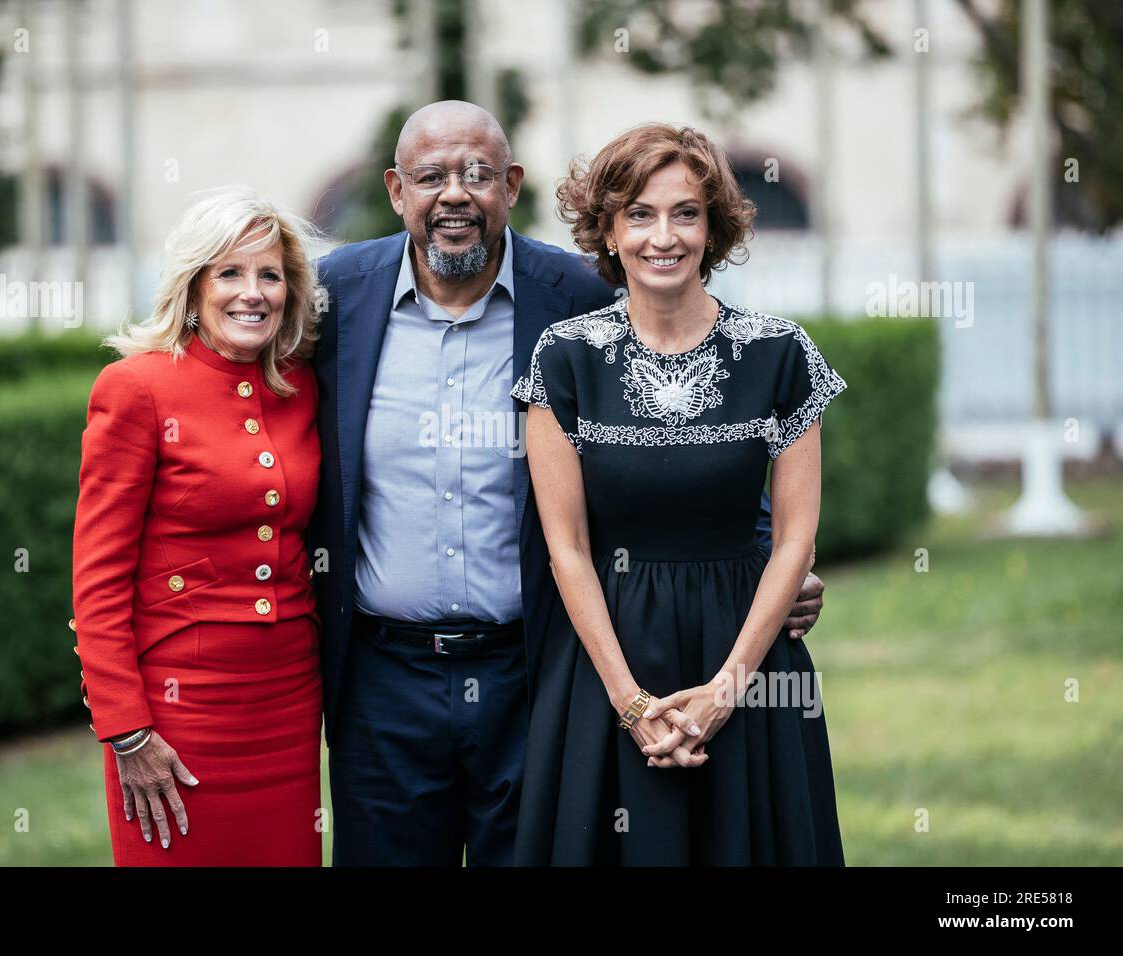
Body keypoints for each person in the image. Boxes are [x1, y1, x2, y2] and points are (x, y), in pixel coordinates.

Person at [310, 101, 829, 866]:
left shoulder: (578, 299)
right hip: (383, 678)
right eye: (431, 176)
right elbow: (241, 397)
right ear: (396, 190)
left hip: (536, 667)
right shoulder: (334, 297)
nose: (455, 194)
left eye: (478, 173)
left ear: (510, 185)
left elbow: (678, 438)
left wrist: (771, 563)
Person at [512, 123, 847, 865]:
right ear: (607, 229)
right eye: (639, 213)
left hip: (751, 658)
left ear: (714, 226)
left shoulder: (779, 353)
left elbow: (796, 538)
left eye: (686, 212)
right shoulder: (564, 358)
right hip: (607, 664)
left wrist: (727, 688)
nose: (663, 236)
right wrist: (632, 705)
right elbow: (565, 545)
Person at [71, 187, 324, 865]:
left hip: (288, 701)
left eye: (269, 274)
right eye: (230, 273)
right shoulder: (135, 388)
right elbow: (96, 582)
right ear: (193, 286)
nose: (253, 292)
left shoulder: (301, 387)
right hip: (178, 709)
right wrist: (125, 731)